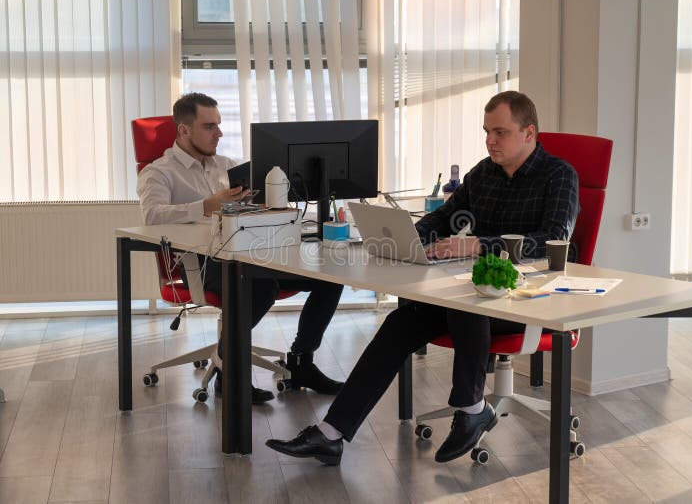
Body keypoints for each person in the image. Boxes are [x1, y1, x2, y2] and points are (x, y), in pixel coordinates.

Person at [266, 90, 579, 464]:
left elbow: (552, 240)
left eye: (500, 132)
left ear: (529, 133)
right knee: (401, 322)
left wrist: (478, 245)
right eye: (486, 132)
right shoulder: (484, 173)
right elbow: (445, 217)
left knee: (462, 300)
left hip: (528, 300)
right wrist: (409, 238)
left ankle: (471, 407)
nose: (490, 141)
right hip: (475, 296)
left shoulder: (559, 176)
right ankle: (331, 434)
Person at [137, 92, 345, 403]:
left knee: (329, 276)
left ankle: (302, 363)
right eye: (209, 126)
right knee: (258, 285)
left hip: (250, 252)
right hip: (202, 263)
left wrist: (263, 205)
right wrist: (206, 206)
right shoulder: (159, 171)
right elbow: (152, 216)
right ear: (183, 130)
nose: (219, 133)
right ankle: (229, 371)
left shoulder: (227, 166)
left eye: (219, 125)